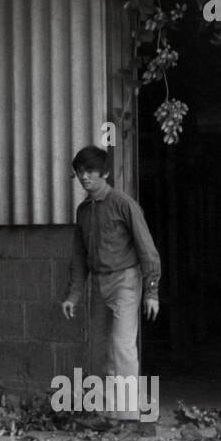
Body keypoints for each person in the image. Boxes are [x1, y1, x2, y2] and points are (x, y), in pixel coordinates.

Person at [61, 144, 161, 423]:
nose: (85, 177)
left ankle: (130, 416)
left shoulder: (123, 204)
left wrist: (151, 291)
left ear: (104, 172)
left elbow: (147, 248)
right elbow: (79, 256)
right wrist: (73, 295)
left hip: (126, 280)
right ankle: (106, 413)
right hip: (98, 282)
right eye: (80, 172)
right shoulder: (83, 211)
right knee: (100, 347)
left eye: (91, 171)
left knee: (121, 347)